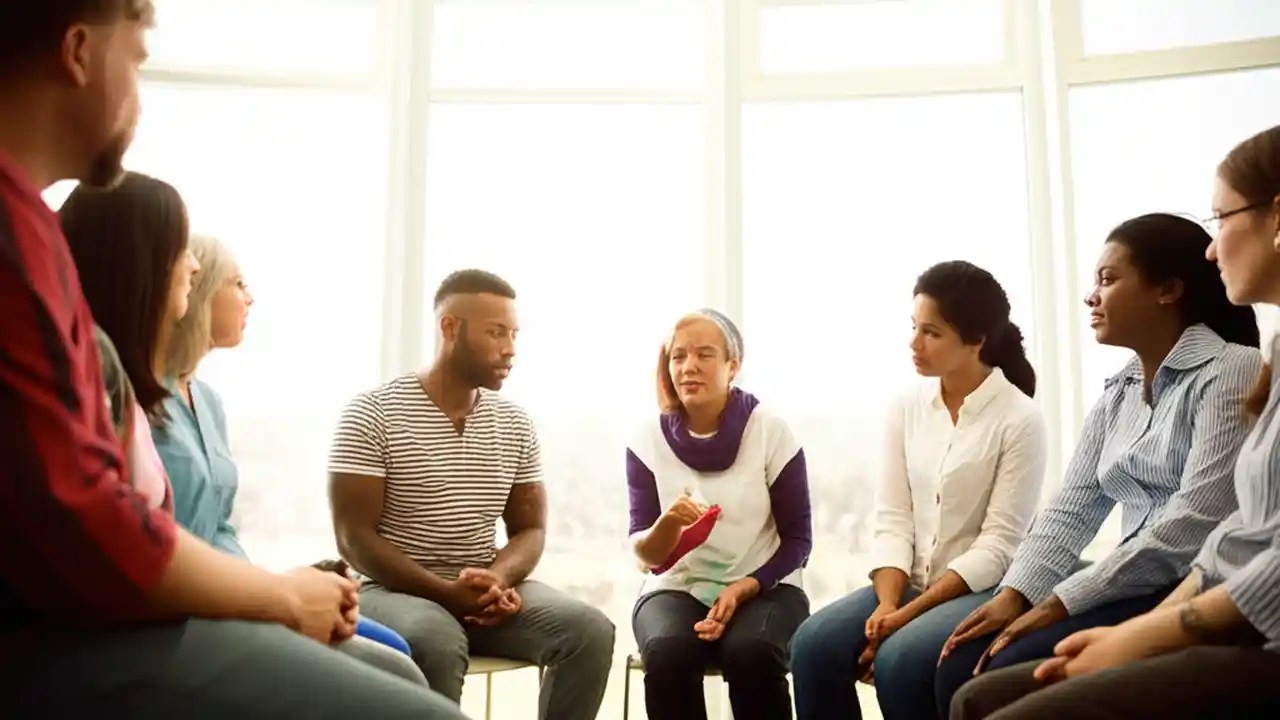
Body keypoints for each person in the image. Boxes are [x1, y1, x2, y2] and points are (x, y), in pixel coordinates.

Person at [0, 4, 464, 717]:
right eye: (139, 58)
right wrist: (277, 596)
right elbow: (87, 527)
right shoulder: (16, 244)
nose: (138, 91)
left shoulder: (32, 235)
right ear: (79, 51)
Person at [948, 124, 1280, 720]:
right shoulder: (1132, 387)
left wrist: (1140, 625)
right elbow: (1074, 507)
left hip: (1223, 606)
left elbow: (1199, 523)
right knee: (970, 686)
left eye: (1222, 219)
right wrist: (1018, 593)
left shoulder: (1234, 368)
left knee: (988, 684)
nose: (1212, 247)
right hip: (1198, 591)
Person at [66, 194, 424, 685]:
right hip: (192, 601)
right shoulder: (134, 393)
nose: (250, 297)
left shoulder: (208, 402)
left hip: (235, 589)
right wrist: (273, 596)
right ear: (199, 290)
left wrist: (279, 583)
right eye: (237, 283)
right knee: (395, 666)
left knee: (398, 648)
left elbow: (220, 529)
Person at [328, 268, 615, 719]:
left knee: (588, 631)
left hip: (482, 589)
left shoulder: (515, 423)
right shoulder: (372, 413)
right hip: (392, 590)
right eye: (496, 333)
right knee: (436, 640)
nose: (510, 349)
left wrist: (497, 579)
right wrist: (445, 592)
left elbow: (530, 529)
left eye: (514, 334)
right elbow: (354, 539)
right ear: (450, 328)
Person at [789, 262, 1047, 720]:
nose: (913, 343)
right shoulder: (906, 408)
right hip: (903, 588)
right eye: (914, 327)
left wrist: (901, 620)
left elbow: (998, 547)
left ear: (976, 340)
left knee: (901, 658)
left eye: (931, 332)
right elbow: (893, 517)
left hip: (978, 591)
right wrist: (888, 604)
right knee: (811, 645)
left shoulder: (1020, 419)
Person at [627, 308, 813, 720]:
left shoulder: (770, 431)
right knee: (668, 653)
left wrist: (746, 586)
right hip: (676, 586)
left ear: (733, 366)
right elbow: (646, 555)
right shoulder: (647, 439)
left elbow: (799, 541)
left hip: (768, 585)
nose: (688, 366)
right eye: (678, 356)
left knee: (752, 653)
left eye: (704, 355)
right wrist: (669, 524)